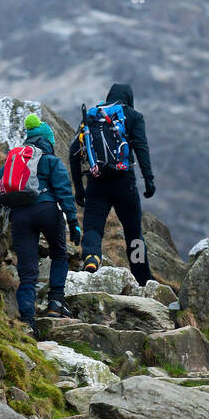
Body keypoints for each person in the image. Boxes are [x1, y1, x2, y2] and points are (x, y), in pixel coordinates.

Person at [0, 113, 81, 330]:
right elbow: (64, 192)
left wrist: (9, 203)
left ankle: (28, 322)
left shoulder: (14, 160)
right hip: (47, 211)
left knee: (27, 272)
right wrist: (73, 222)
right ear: (47, 140)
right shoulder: (50, 160)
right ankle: (56, 302)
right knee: (59, 253)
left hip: (20, 216)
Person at [70, 83, 155, 285]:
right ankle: (142, 279)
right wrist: (149, 179)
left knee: (93, 227)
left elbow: (74, 153)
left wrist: (79, 188)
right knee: (133, 233)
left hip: (97, 182)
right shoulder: (133, 115)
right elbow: (141, 148)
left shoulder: (91, 117)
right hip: (124, 182)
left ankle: (91, 257)